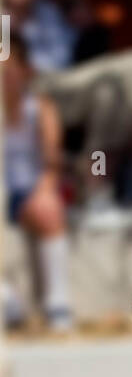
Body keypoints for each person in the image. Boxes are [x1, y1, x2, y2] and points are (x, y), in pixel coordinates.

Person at [3, 36, 73, 332]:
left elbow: (51, 164)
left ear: (25, 70)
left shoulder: (40, 108)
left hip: (25, 194)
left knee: (49, 208)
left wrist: (43, 192)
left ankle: (58, 303)